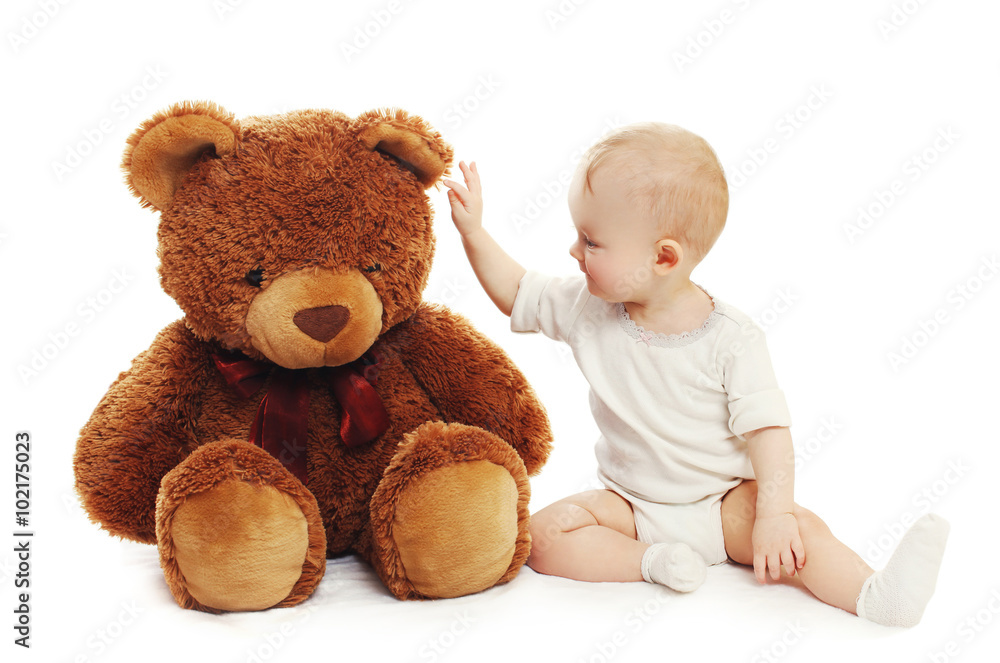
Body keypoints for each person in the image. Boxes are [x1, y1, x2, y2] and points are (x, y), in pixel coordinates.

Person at [441, 122, 950, 628]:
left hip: (723, 505)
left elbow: (769, 435)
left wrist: (773, 516)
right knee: (545, 536)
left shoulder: (732, 339)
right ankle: (652, 563)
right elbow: (516, 290)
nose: (575, 251)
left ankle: (875, 596)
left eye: (591, 241)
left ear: (662, 257)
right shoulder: (584, 307)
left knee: (800, 529)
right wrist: (474, 232)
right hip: (630, 509)